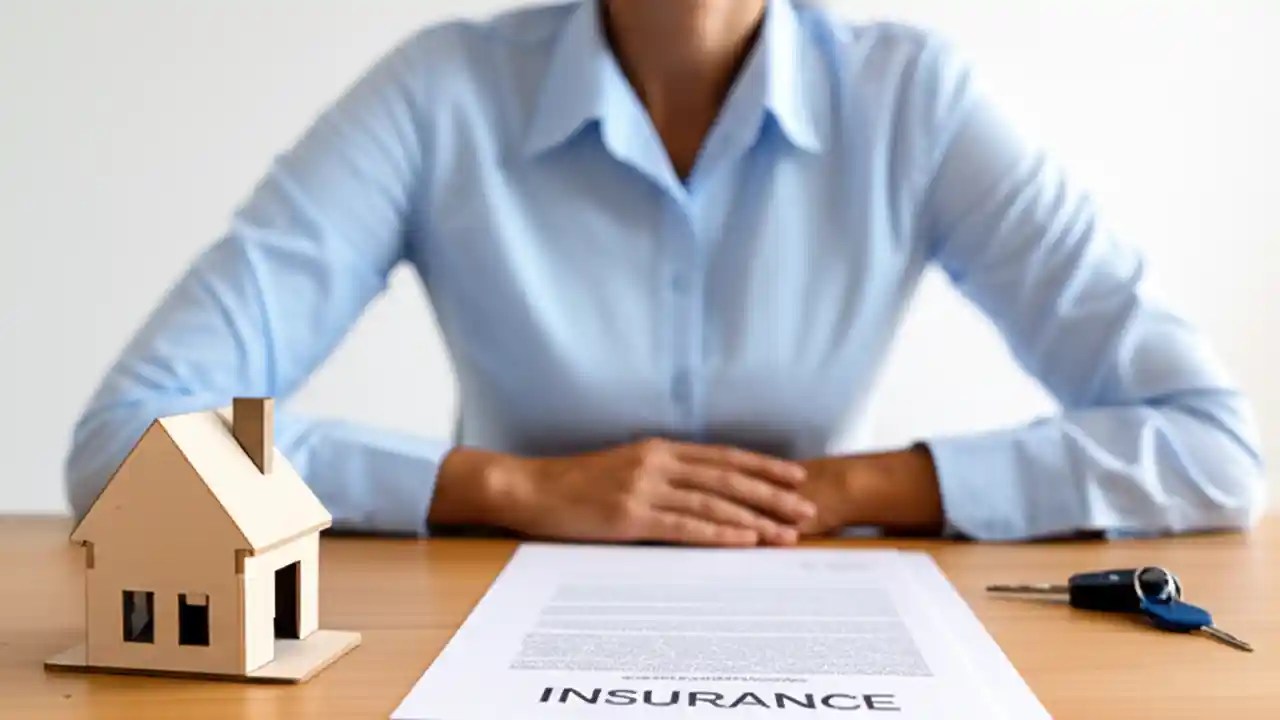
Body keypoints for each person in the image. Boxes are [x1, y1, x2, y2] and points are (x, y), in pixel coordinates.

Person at [66, 0, 1264, 545]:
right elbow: (127, 444)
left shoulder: (912, 100)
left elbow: (1213, 448)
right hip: (488, 636)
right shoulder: (440, 94)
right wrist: (511, 489)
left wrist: (845, 491)